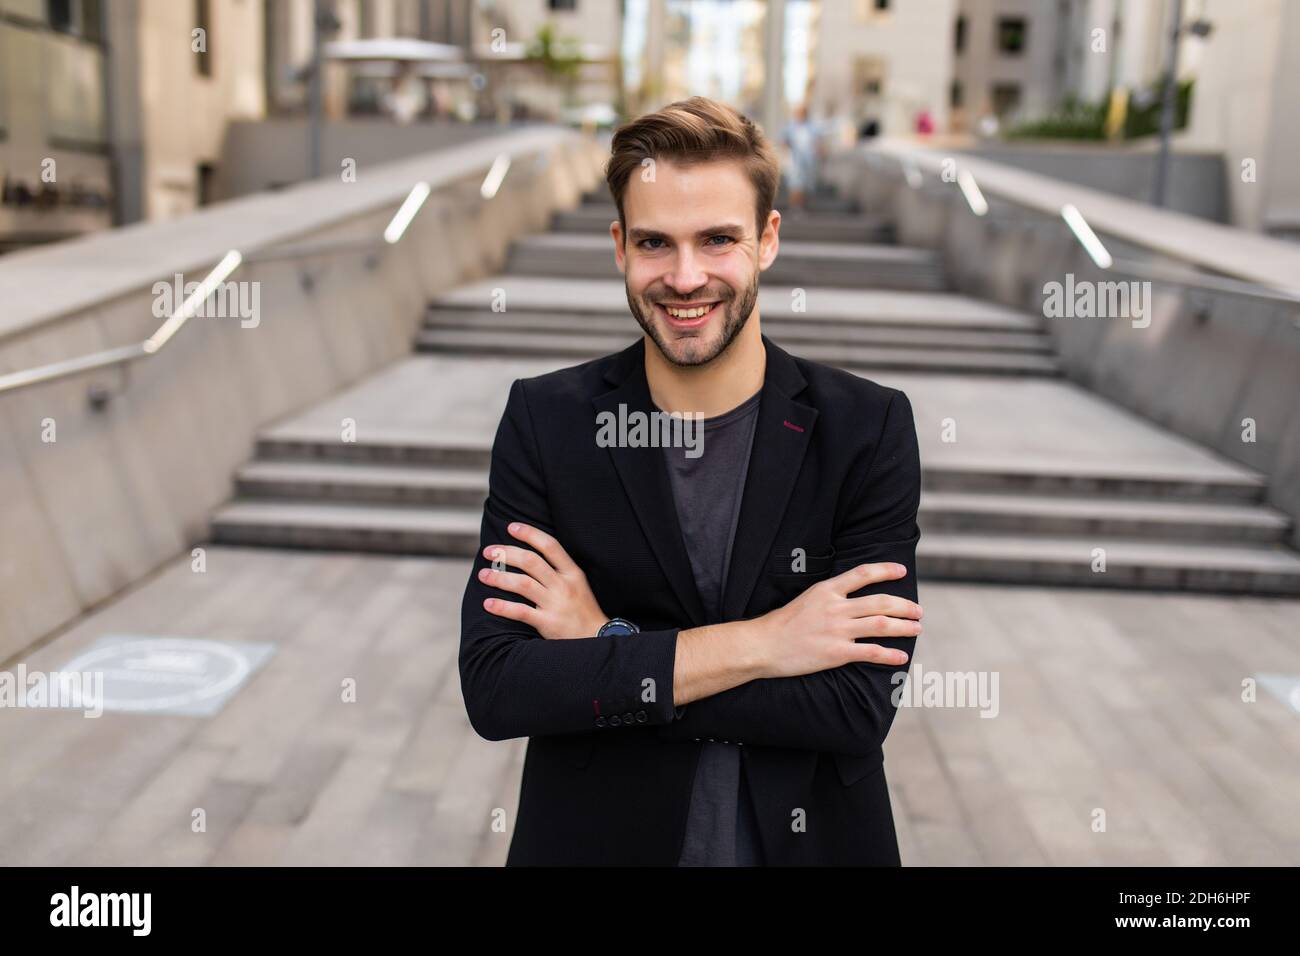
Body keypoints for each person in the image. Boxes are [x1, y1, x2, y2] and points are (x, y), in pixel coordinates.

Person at [459, 95, 924, 866]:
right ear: (618, 246)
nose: (685, 277)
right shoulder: (547, 420)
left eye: (718, 240)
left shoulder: (865, 429)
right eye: (655, 243)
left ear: (767, 240)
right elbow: (500, 685)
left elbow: (853, 705)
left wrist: (606, 648)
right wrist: (768, 644)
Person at [781, 102, 823, 212]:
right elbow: (784, 141)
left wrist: (818, 151)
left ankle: (801, 206)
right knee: (795, 184)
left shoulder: (811, 127)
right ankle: (795, 207)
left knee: (805, 184)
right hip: (795, 161)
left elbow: (817, 142)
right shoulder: (791, 126)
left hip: (809, 161)